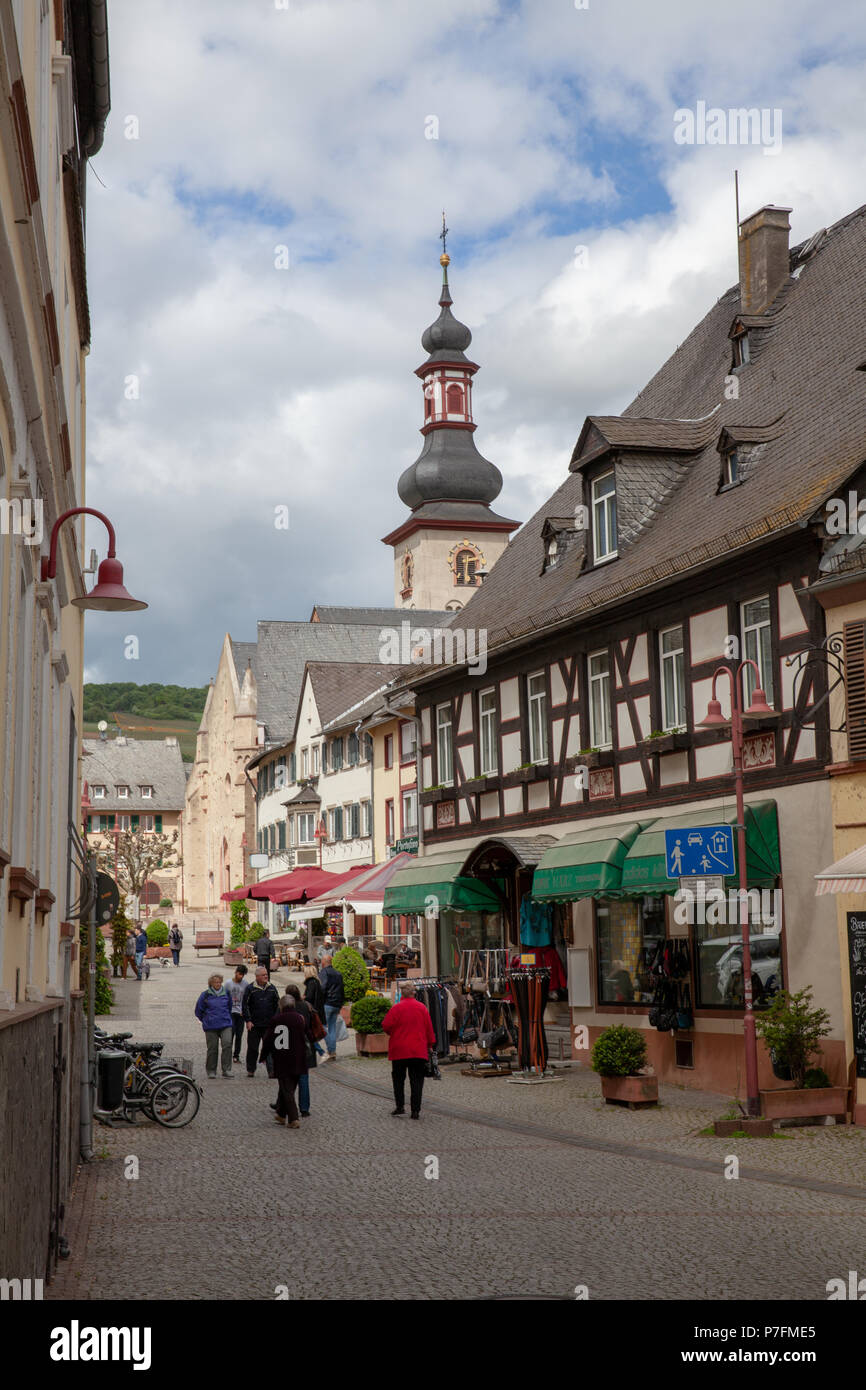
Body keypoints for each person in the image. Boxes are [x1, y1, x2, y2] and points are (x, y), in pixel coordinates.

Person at [381, 980, 435, 1119]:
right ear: (414, 993)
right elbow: (429, 1029)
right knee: (416, 1080)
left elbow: (386, 1025)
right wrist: (430, 1044)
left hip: (399, 1050)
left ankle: (400, 1106)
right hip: (418, 1050)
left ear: (402, 994)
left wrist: (394, 1033)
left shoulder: (396, 1008)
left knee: (398, 1079)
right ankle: (415, 1110)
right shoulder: (422, 1008)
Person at [259, 996, 310, 1128]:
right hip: (299, 1058)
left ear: (281, 1006)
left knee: (287, 1090)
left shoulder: (276, 1019)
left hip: (282, 1058)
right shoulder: (300, 1018)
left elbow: (268, 1039)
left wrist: (263, 1055)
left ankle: (293, 1119)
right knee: (288, 1087)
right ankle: (281, 1115)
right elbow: (306, 1036)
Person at [282, 984, 318, 1116]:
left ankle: (284, 1105)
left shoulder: (285, 1008)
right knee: (303, 1078)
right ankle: (304, 1108)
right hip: (305, 1045)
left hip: (290, 1046)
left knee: (286, 1079)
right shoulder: (306, 1006)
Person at [194, 973, 235, 1078]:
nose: (217, 984)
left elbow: (230, 1006)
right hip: (211, 1026)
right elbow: (199, 1010)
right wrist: (205, 1019)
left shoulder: (226, 993)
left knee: (227, 1044)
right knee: (212, 1048)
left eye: (219, 982)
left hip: (225, 1024)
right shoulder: (206, 994)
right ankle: (211, 1070)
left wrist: (227, 1017)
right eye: (215, 982)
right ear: (211, 983)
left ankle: (226, 1069)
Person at [242, 965, 281, 1077]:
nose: (266, 976)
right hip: (254, 1024)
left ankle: (271, 1070)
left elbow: (277, 1005)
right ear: (257, 976)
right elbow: (245, 1006)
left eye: (266, 975)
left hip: (269, 1024)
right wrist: (248, 1020)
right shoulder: (250, 989)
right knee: (253, 1048)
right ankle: (251, 1069)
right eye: (263, 975)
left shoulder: (272, 988)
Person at [318, 953, 345, 1061]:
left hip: (327, 1003)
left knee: (322, 1027)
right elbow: (342, 990)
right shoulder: (338, 973)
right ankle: (332, 1051)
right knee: (332, 1028)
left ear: (323, 962)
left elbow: (322, 988)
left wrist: (319, 1002)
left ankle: (330, 1050)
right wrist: (341, 1003)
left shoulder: (324, 972)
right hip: (336, 1004)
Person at [226, 963, 249, 1062]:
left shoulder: (245, 984)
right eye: (239, 974)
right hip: (231, 1012)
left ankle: (236, 1055)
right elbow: (225, 998)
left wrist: (245, 1011)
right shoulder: (228, 984)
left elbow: (247, 999)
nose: (240, 976)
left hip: (240, 1013)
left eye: (242, 975)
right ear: (235, 972)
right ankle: (228, 1054)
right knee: (230, 1034)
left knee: (239, 1035)